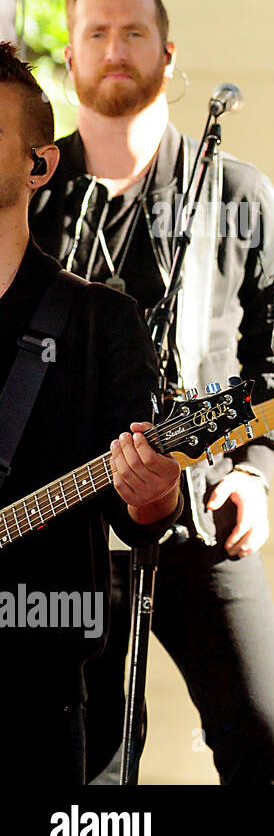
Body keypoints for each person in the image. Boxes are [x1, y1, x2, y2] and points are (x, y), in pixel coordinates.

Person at [29, 0, 274, 784]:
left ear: (169, 55)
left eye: (134, 32)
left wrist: (254, 473)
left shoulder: (242, 194)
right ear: (71, 60)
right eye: (97, 33)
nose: (116, 48)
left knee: (262, 741)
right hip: (67, 531)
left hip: (202, 512)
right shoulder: (30, 197)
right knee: (98, 762)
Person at [0, 41, 182, 783]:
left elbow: (139, 514)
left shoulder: (101, 320)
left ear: (38, 165)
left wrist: (156, 489)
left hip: (31, 696)